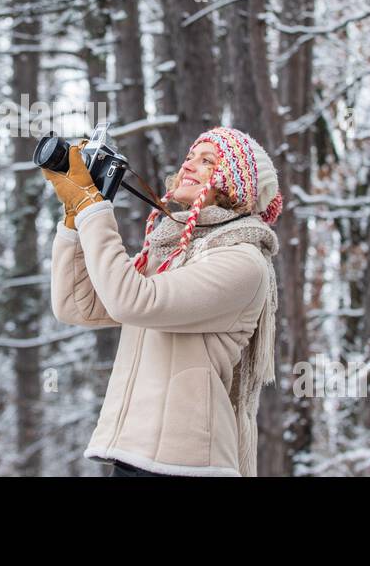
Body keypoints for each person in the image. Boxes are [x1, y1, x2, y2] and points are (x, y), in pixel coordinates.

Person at [43, 126, 283, 478]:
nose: (188, 165)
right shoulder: (173, 250)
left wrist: (92, 208)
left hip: (185, 464)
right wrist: (74, 220)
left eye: (207, 161)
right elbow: (77, 304)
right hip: (133, 455)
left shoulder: (242, 261)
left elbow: (132, 301)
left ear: (238, 185)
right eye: (189, 157)